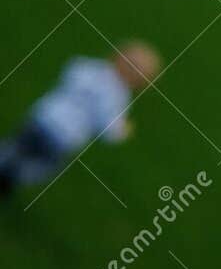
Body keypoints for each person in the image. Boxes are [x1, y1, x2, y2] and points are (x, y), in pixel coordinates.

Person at [0, 43, 160, 195]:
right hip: (64, 138)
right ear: (139, 83)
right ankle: (12, 175)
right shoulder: (118, 97)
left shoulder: (91, 67)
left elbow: (71, 69)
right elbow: (109, 130)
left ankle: (5, 162)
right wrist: (123, 130)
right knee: (43, 166)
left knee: (17, 145)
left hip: (44, 117)